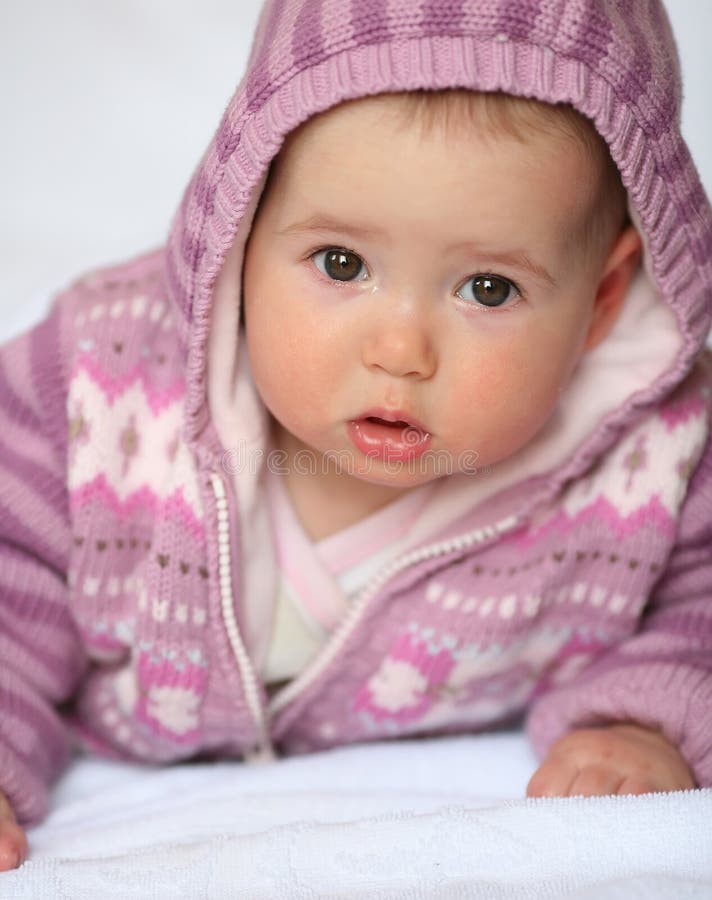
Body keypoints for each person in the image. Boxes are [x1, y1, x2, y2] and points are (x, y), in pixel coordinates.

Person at [1, 0, 710, 872]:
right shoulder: (90, 389)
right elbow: (9, 571)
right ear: (241, 225)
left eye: (488, 290)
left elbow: (701, 605)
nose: (400, 351)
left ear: (602, 301)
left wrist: (645, 722)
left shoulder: (661, 454)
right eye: (342, 264)